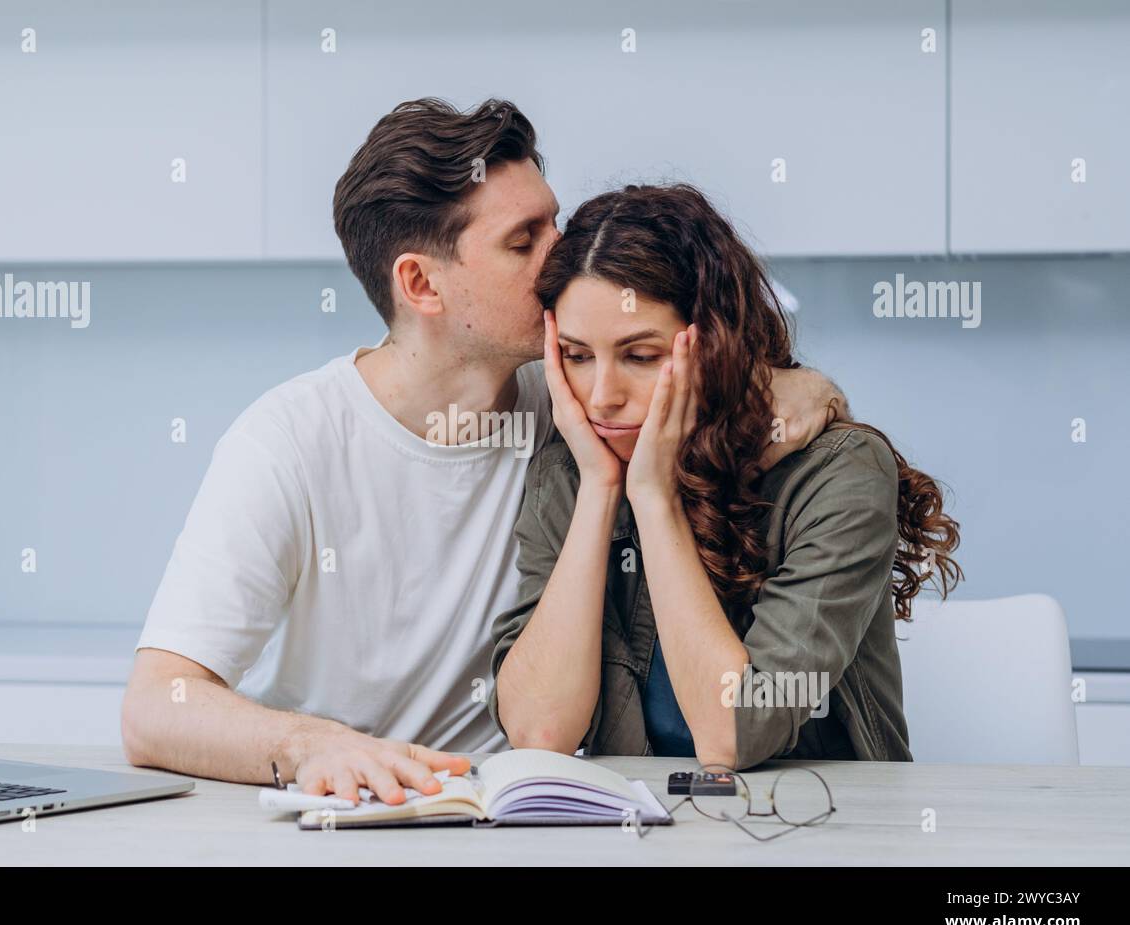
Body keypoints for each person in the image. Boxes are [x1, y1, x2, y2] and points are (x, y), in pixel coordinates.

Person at [121, 99, 847, 803]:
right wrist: (314, 744)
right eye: (523, 241)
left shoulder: (573, 402)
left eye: (555, 222)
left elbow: (710, 365)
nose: (565, 255)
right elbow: (155, 707)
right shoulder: (287, 442)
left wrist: (798, 387)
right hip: (342, 808)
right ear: (420, 283)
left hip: (507, 807)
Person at [489, 183, 963, 769]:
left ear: (715, 344)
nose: (602, 397)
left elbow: (732, 735)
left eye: (641, 356)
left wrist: (655, 498)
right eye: (577, 356)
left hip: (820, 830)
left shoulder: (837, 474)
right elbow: (539, 731)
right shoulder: (574, 467)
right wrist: (601, 491)